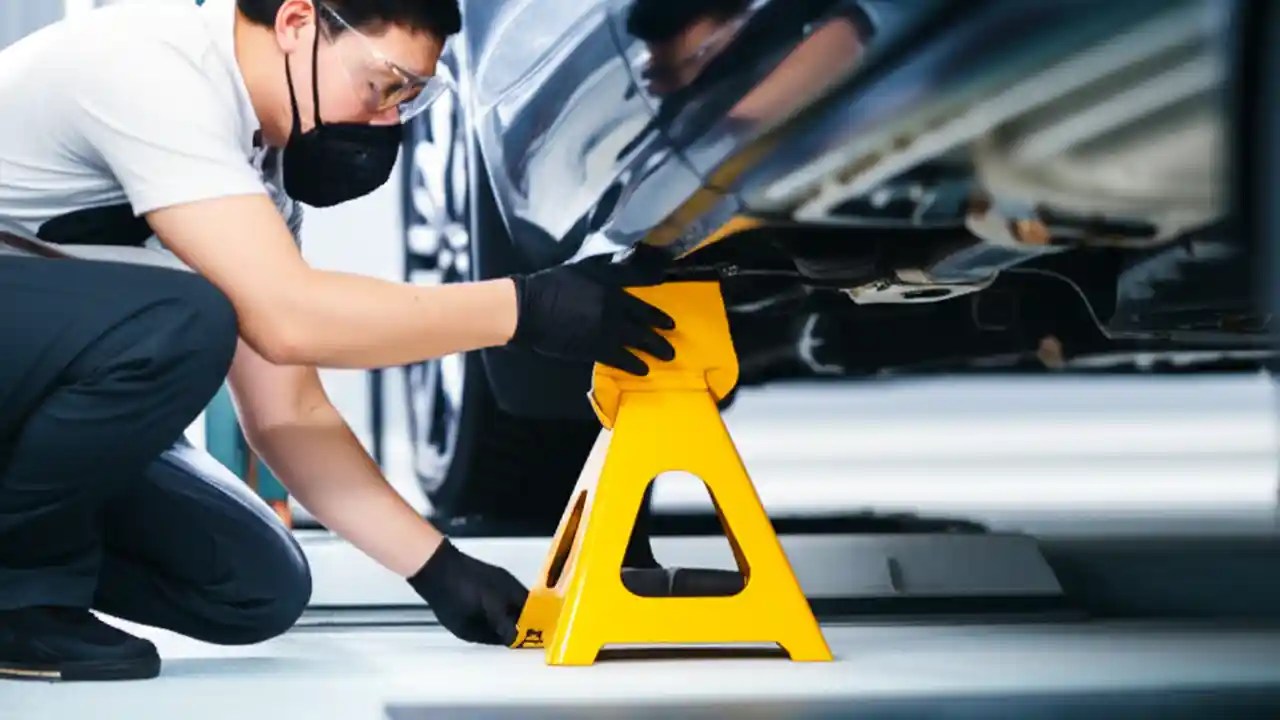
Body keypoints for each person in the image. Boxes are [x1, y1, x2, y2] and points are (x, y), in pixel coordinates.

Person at [0, 0, 677, 682]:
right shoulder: (153, 68)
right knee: (185, 319)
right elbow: (288, 318)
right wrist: (526, 308)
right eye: (382, 85)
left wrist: (437, 568)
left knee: (254, 583)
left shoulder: (254, 178)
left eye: (407, 99)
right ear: (297, 23)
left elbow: (287, 411)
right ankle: (19, 604)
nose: (387, 119)